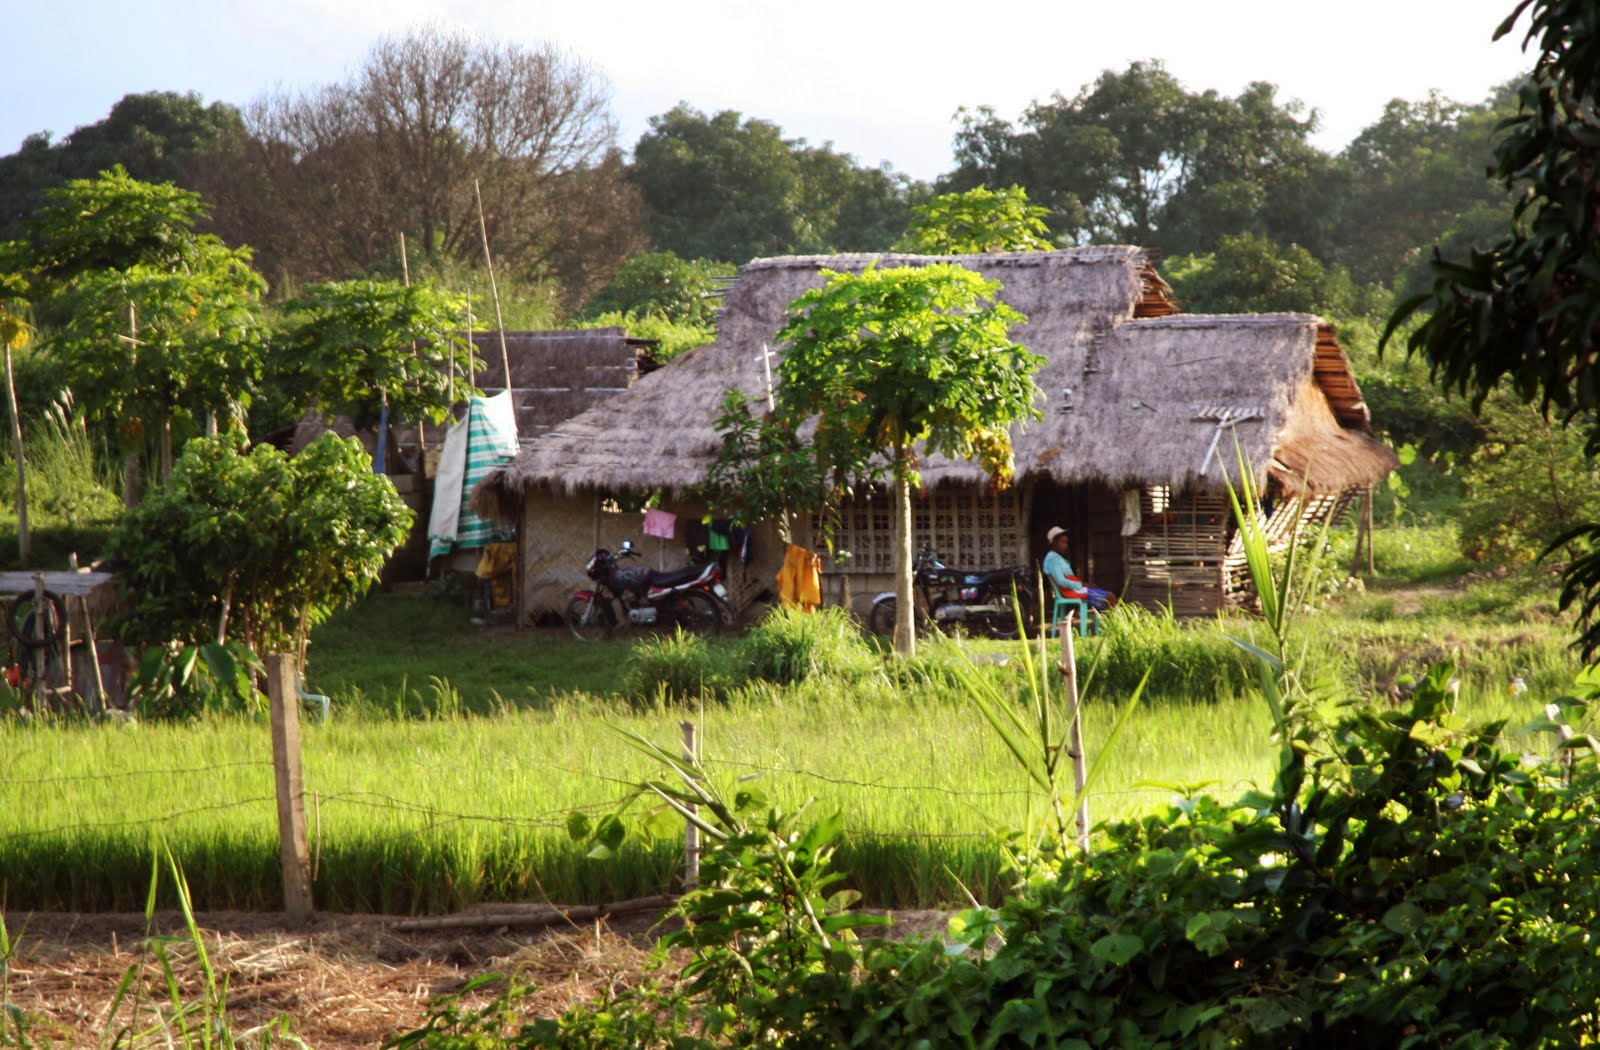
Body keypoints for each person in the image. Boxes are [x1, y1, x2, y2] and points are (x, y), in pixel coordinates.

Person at [1042, 526, 1116, 611]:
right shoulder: (1053, 558)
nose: (1065, 545)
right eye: (1062, 542)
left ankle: (1106, 619)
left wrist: (1083, 585)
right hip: (1071, 592)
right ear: (1054, 542)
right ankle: (1116, 621)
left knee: (1102, 594)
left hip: (1073, 590)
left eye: (1066, 542)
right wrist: (1081, 584)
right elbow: (1061, 581)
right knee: (1110, 596)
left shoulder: (1056, 557)